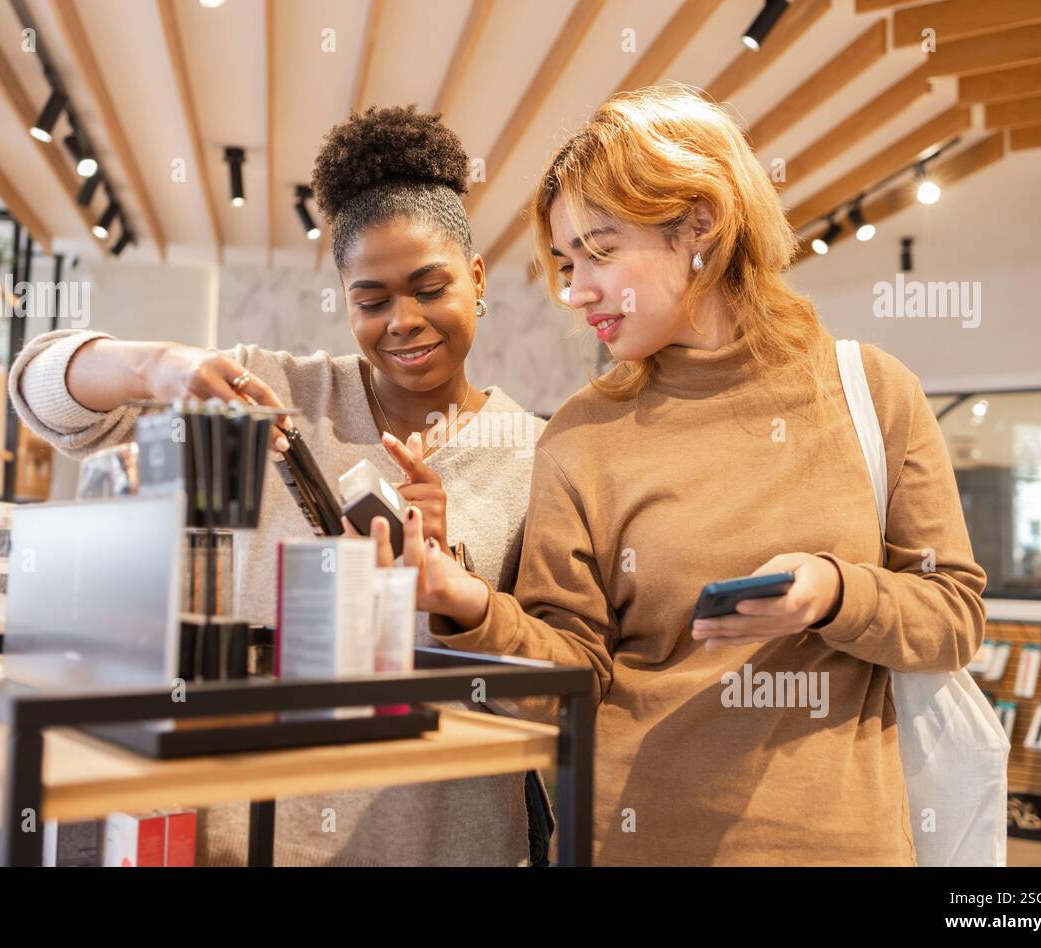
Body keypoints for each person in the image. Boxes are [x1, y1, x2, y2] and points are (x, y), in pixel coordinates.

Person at [385, 83, 988, 866]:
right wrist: (466, 605)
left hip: (844, 845)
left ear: (700, 222)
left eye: (602, 251)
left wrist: (835, 592)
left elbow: (953, 617)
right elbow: (570, 681)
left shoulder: (870, 392)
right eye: (567, 263)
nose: (578, 290)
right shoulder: (581, 434)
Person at [8, 105, 548, 866]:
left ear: (479, 276)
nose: (404, 321)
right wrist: (159, 367)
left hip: (447, 840)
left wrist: (455, 588)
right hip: (254, 835)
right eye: (372, 300)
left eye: (430, 288)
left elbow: (554, 685)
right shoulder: (271, 394)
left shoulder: (536, 456)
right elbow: (43, 394)